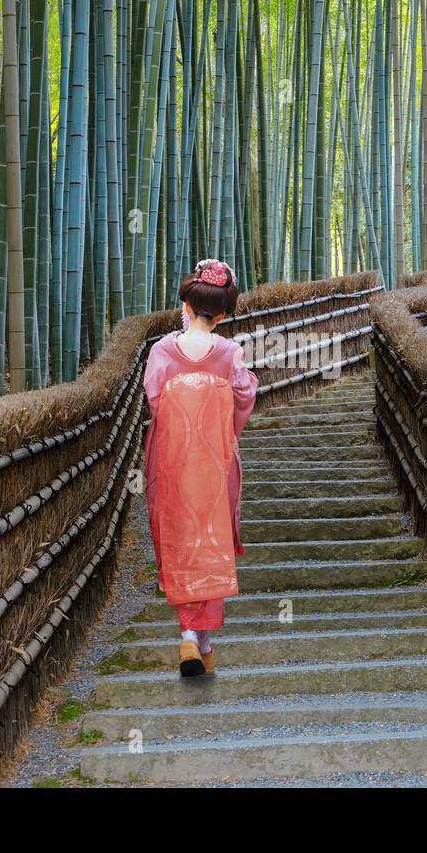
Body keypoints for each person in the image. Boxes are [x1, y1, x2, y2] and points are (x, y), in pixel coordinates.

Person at [143, 259, 258, 677]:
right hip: (216, 462)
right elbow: (244, 400)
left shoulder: (161, 352)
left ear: (185, 305)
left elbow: (156, 400)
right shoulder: (229, 354)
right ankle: (200, 640)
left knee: (178, 536)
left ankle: (192, 637)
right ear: (224, 314)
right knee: (211, 537)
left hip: (171, 461)